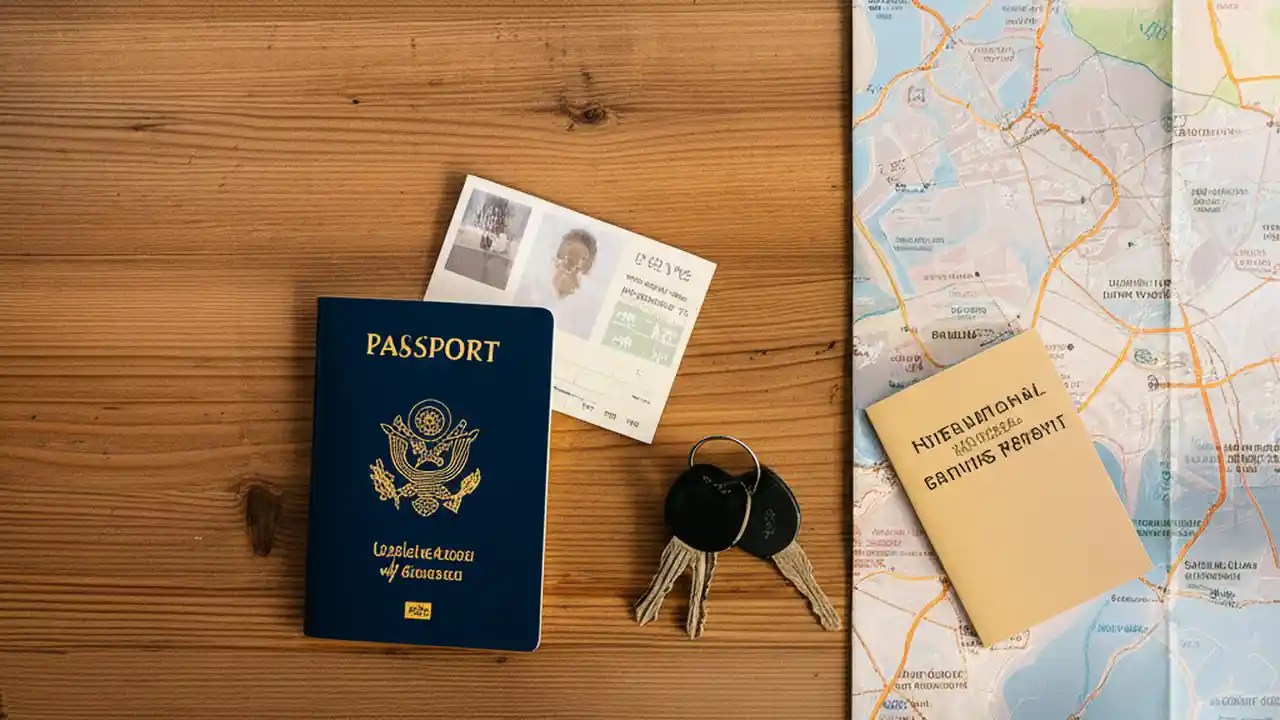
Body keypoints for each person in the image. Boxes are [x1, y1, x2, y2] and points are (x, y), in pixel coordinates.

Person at [516, 228, 601, 338]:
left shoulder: (588, 307)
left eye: (581, 259)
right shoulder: (530, 287)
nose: (571, 265)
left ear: (586, 267)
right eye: (568, 258)